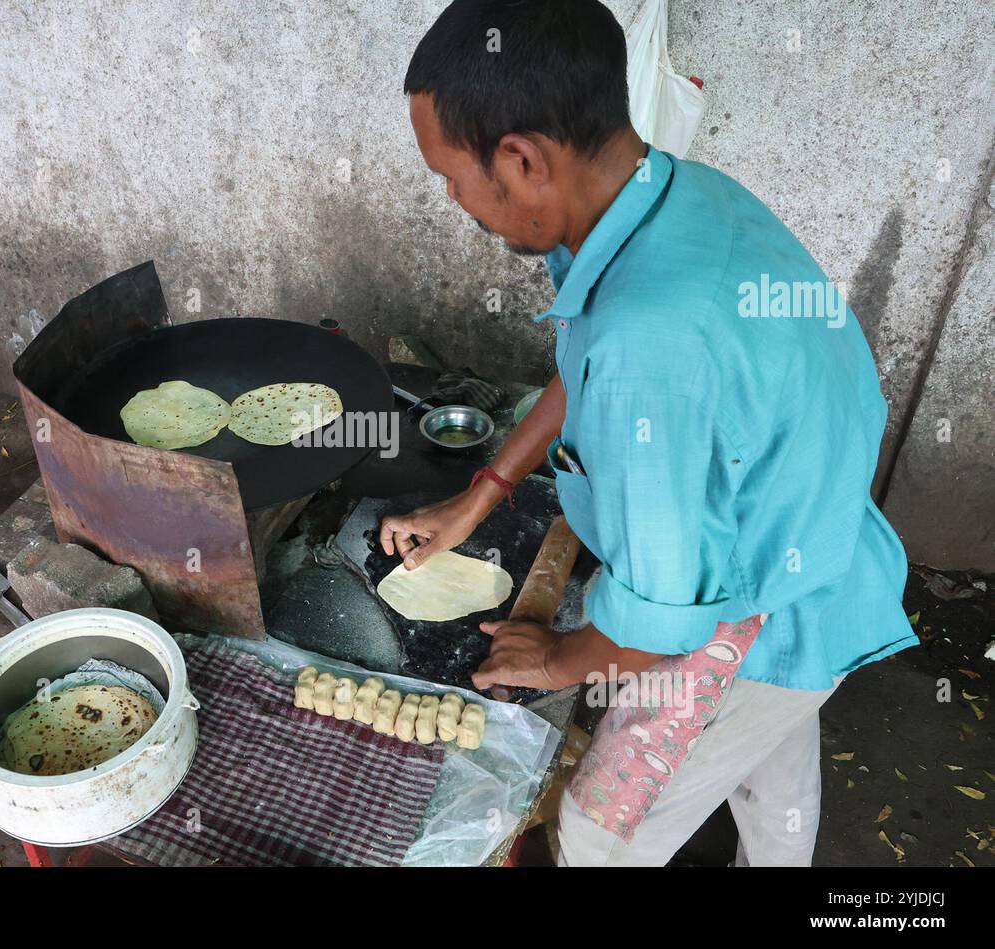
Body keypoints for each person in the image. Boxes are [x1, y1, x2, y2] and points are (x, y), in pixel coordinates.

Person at [381, 0, 915, 866]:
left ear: (521, 161)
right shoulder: (675, 195)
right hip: (817, 550)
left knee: (600, 833)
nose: (452, 198)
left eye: (451, 175)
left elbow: (657, 628)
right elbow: (590, 358)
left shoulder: (650, 345)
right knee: (770, 757)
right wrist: (484, 493)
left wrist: (558, 660)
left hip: (746, 614)